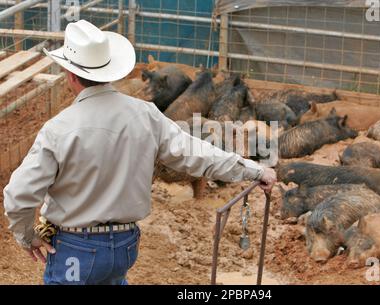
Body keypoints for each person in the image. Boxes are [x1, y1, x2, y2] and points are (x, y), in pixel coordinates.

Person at [3, 20, 277, 285]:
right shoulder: (146, 115)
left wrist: (27, 236)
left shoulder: (58, 129)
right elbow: (198, 153)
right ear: (109, 69)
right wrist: (254, 169)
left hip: (76, 246)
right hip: (124, 245)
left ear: (70, 75)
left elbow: (18, 196)